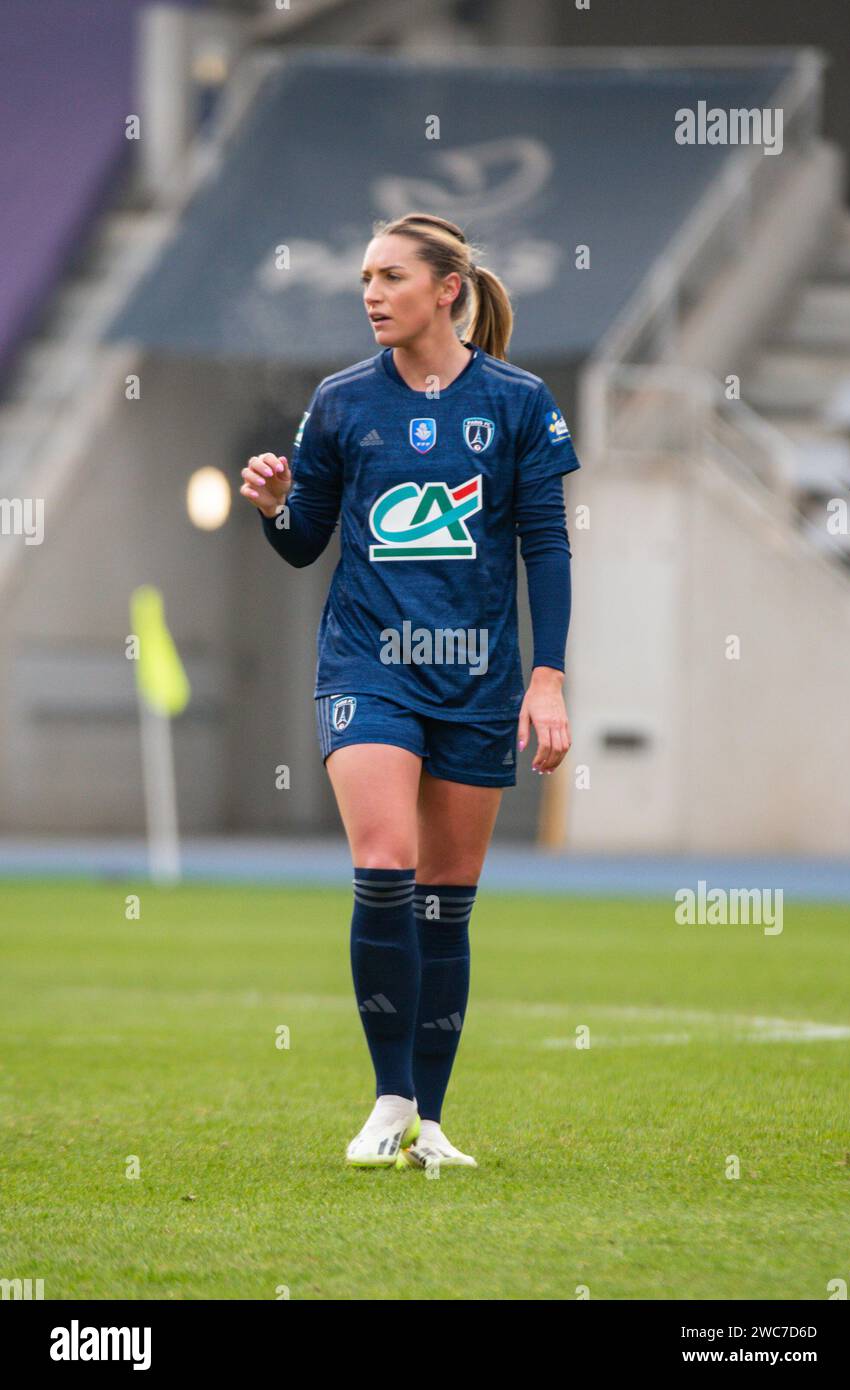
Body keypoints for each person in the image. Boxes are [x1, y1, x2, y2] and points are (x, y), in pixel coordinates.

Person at [240, 212, 580, 1171]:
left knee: (445, 901)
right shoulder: (342, 401)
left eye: (390, 276)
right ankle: (389, 1099)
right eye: (362, 279)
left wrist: (545, 678)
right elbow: (306, 541)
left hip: (477, 673)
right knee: (385, 865)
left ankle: (431, 1123)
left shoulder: (517, 401)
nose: (371, 295)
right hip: (368, 665)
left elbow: (545, 546)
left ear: (447, 288)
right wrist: (274, 508)